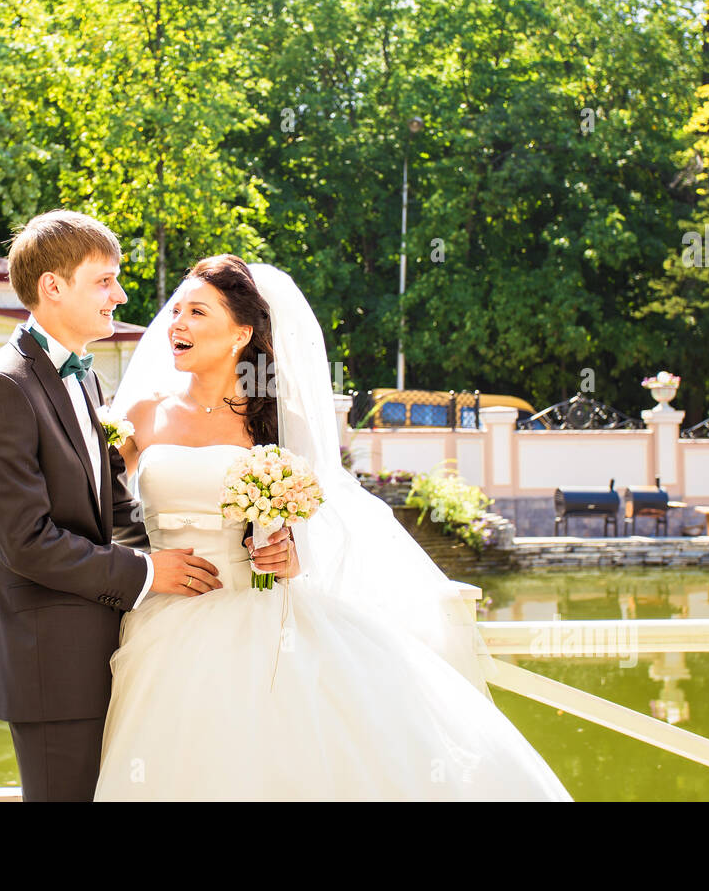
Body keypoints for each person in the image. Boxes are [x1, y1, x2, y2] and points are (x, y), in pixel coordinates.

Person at [94, 254, 572, 800]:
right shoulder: (142, 413)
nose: (176, 324)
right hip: (164, 620)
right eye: (176, 310)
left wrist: (292, 552)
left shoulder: (272, 416)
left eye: (197, 312)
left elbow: (325, 511)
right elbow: (96, 499)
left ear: (240, 334)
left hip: (262, 612)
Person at [0, 210, 224, 802]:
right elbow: (27, 543)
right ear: (53, 286)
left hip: (117, 649)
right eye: (104, 280)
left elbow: (107, 508)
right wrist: (153, 572)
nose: (120, 295)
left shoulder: (83, 380)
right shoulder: (1, 387)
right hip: (52, 663)